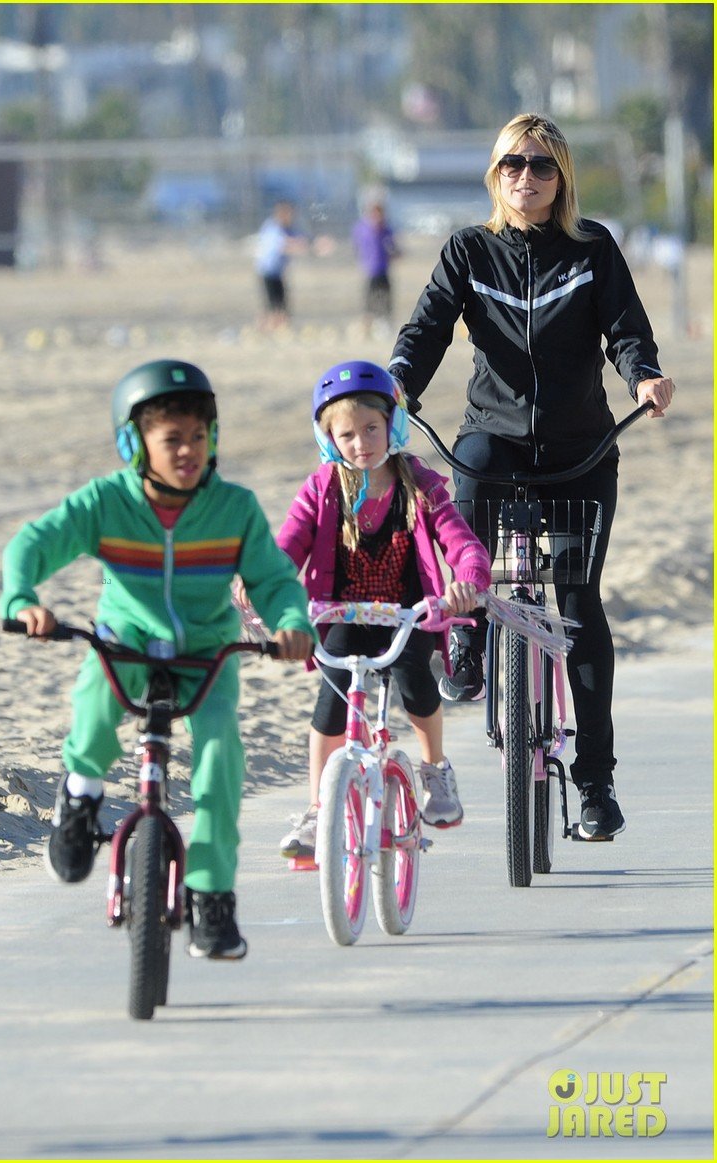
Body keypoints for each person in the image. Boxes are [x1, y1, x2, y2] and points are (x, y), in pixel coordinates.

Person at [387, 112, 675, 842]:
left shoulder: (592, 248)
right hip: (495, 439)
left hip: (580, 452)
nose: (526, 176)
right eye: (513, 163)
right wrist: (396, 384)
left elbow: (627, 329)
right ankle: (469, 630)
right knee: (471, 477)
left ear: (562, 177)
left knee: (577, 605)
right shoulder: (469, 251)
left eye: (542, 165)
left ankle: (596, 783)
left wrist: (644, 376)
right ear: (495, 173)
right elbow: (425, 331)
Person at [0, 359, 314, 959]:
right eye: (172, 439)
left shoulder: (235, 508)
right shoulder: (106, 503)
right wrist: (23, 599)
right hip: (127, 640)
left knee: (221, 760)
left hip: (207, 649)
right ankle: (81, 796)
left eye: (199, 436)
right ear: (133, 444)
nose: (188, 451)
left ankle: (212, 898)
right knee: (94, 706)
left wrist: (292, 624)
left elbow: (274, 580)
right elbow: (34, 544)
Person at [273, 361, 491, 860]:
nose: (361, 443)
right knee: (329, 704)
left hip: (408, 613)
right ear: (328, 439)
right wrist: (265, 578)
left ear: (393, 424)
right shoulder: (322, 489)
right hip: (342, 616)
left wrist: (467, 582)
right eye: (346, 434)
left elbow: (462, 544)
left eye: (371, 428)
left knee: (415, 675)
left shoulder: (421, 484)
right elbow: (288, 543)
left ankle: (435, 771)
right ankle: (315, 808)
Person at [254, 200, 309, 331]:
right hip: (267, 271)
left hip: (278, 272)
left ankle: (279, 328)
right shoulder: (272, 227)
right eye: (289, 214)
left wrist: (313, 243)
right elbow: (282, 245)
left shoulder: (288, 228)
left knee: (282, 303)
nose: (291, 217)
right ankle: (264, 329)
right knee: (271, 304)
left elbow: (303, 238)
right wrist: (301, 246)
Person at [351, 199, 400, 336]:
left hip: (384, 270)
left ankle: (385, 327)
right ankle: (366, 329)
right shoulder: (362, 228)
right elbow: (355, 247)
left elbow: (394, 248)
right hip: (370, 271)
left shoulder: (386, 229)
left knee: (386, 300)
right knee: (369, 302)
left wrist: (396, 254)